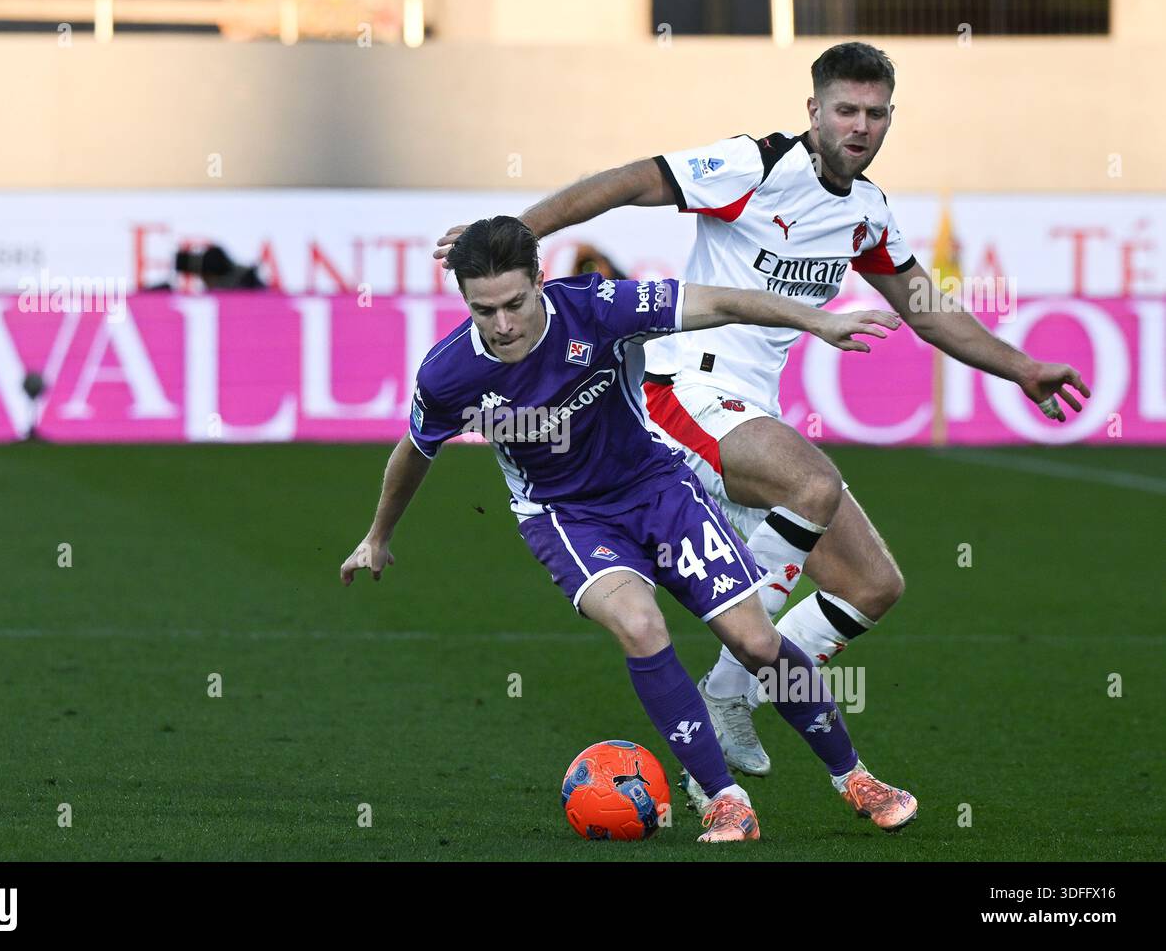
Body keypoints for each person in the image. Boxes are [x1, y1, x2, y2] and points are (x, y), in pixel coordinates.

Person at [434, 42, 1090, 795]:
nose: (860, 126)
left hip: (750, 415)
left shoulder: (867, 213)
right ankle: (730, 680)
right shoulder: (754, 166)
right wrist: (512, 234)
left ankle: (736, 689)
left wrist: (1023, 367)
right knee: (813, 483)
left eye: (875, 114)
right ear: (814, 110)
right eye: (845, 110)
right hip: (684, 390)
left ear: (889, 120)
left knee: (873, 584)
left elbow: (929, 312)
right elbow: (626, 183)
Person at [342, 216, 917, 841]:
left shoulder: (598, 307)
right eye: (485, 311)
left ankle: (855, 777)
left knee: (755, 642)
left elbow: (720, 301)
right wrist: (378, 534)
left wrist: (818, 320)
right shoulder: (448, 373)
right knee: (641, 626)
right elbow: (415, 450)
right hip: (566, 516)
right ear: (464, 301)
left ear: (540, 280)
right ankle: (724, 800)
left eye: (514, 303)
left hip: (656, 489)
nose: (503, 325)